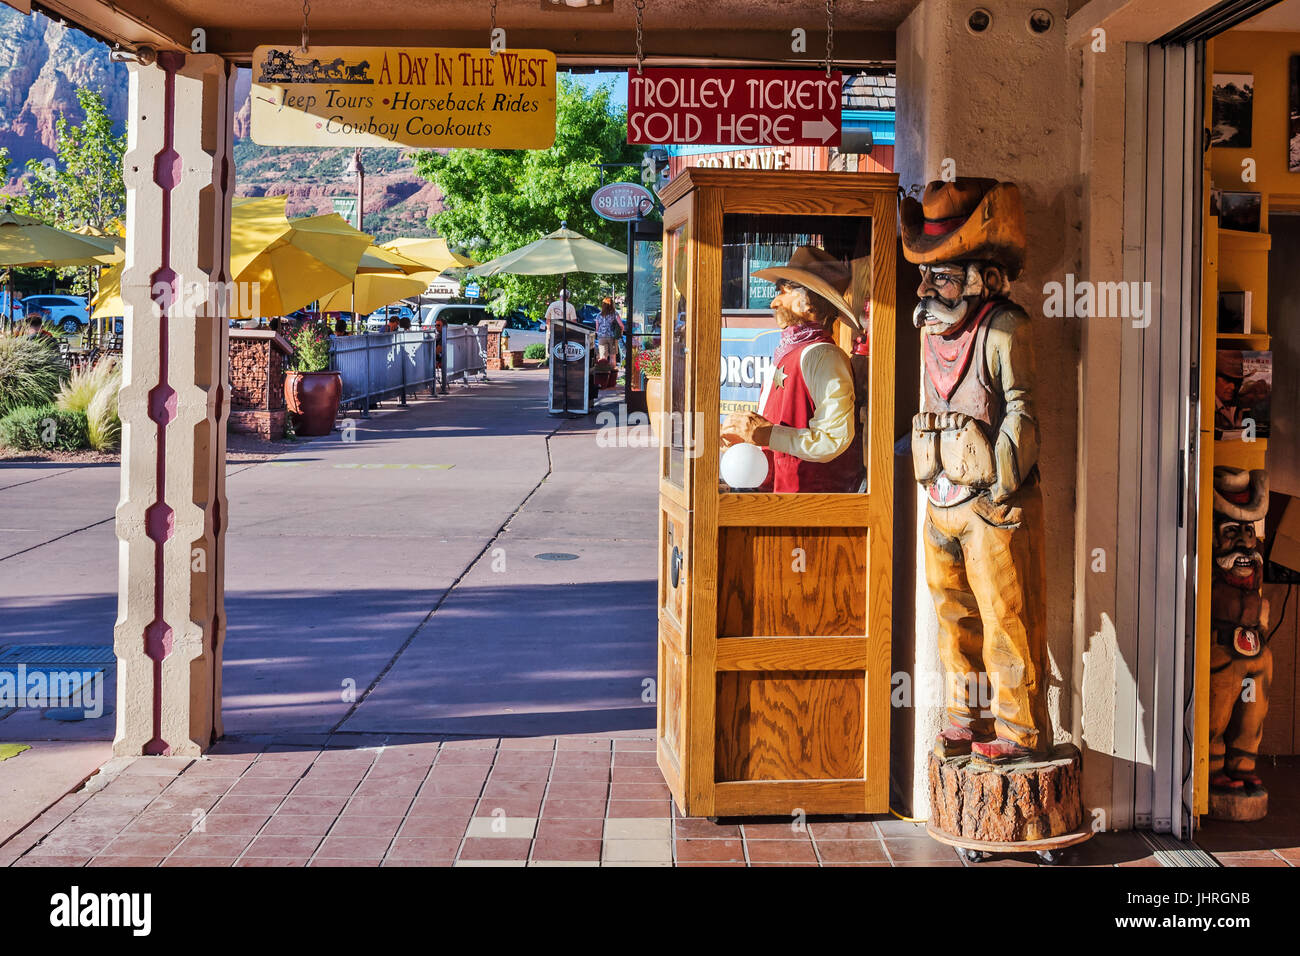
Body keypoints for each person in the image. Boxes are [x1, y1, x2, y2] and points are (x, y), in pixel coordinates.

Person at [901, 177, 1048, 765]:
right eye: (927, 274)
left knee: (1004, 615)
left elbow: (1022, 408)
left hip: (990, 503)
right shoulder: (933, 330)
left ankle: (1018, 729)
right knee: (952, 615)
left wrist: (1000, 482)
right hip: (941, 497)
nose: (927, 288)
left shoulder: (1005, 328)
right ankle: (965, 714)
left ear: (983, 276)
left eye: (942, 274)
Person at [720, 247, 862, 495]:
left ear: (810, 304)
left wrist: (767, 435)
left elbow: (833, 439)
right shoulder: (793, 353)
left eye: (783, 292)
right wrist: (749, 437)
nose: (774, 302)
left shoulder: (823, 356)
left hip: (807, 505)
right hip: (782, 495)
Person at [595, 297, 623, 365]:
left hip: (601, 338)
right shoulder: (614, 314)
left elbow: (597, 329)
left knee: (603, 357)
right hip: (612, 337)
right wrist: (620, 333)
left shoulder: (599, 315)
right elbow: (621, 325)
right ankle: (612, 374)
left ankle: (604, 374)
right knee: (612, 357)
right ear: (612, 305)